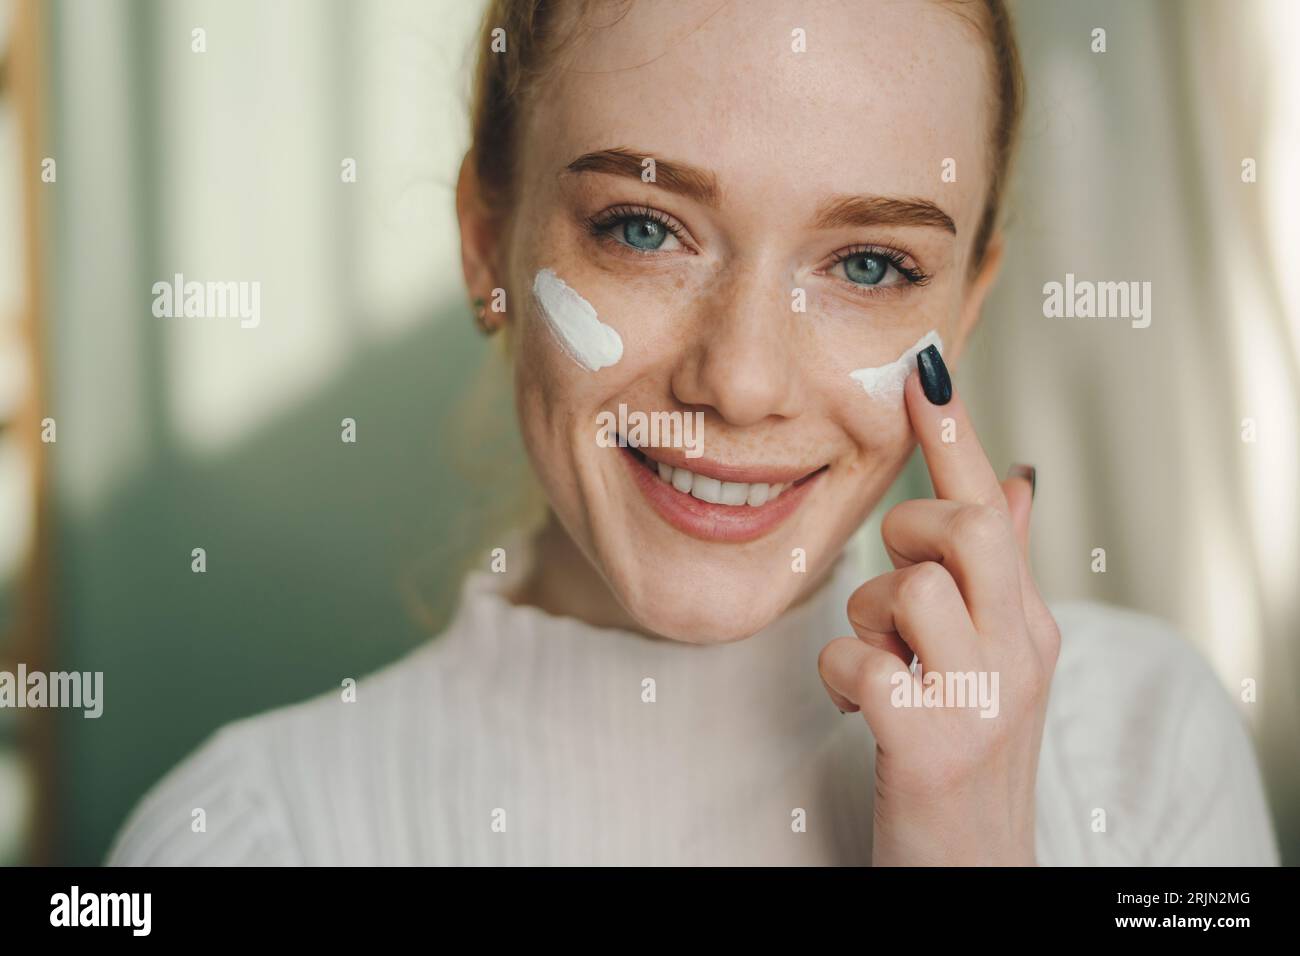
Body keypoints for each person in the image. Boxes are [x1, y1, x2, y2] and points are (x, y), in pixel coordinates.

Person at [107, 0, 1279, 866]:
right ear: (486, 240)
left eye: (870, 263)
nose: (744, 378)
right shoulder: (245, 834)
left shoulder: (1143, 743)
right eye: (643, 229)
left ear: (963, 308)